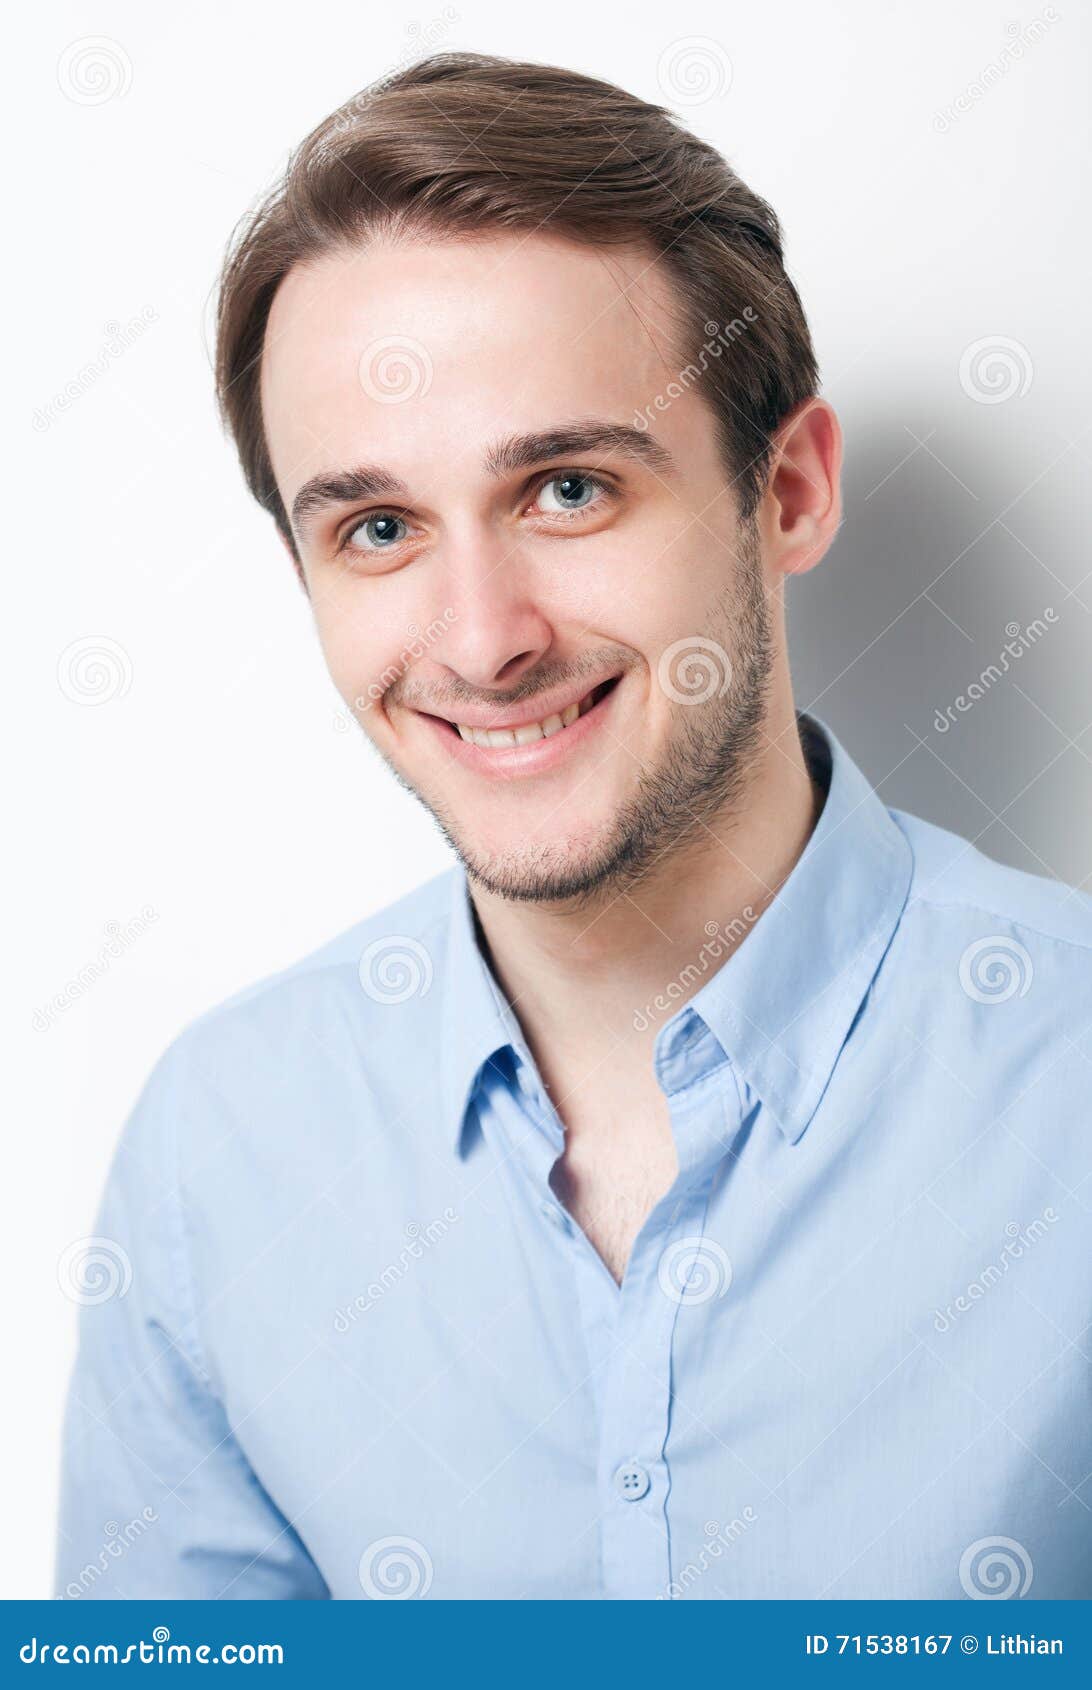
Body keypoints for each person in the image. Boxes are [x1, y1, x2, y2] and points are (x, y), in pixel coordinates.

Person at [57, 52, 1091, 1602]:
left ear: (789, 491)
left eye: (567, 491)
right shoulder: (222, 1153)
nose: (480, 642)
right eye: (380, 528)